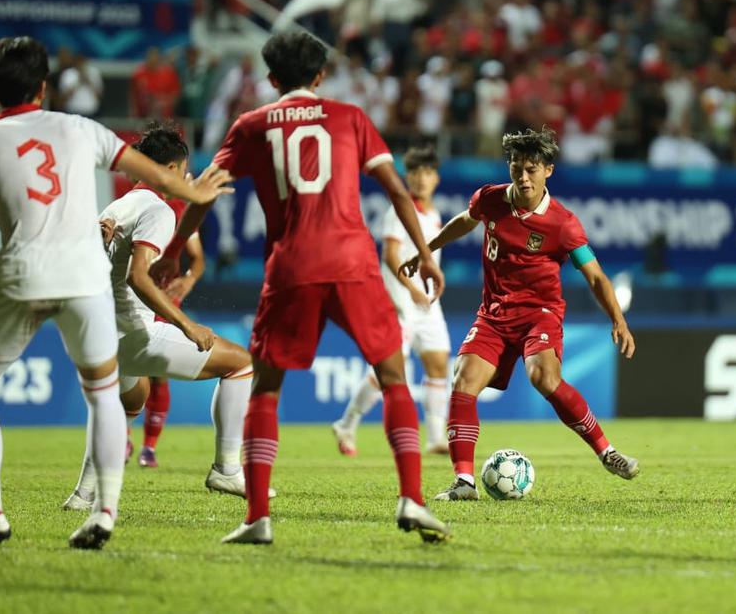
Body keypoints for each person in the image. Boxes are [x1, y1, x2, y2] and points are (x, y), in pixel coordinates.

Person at [151, 31, 450, 545]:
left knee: (265, 388)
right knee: (393, 376)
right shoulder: (350, 117)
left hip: (291, 266)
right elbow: (396, 189)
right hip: (353, 262)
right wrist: (425, 253)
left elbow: (206, 190)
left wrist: (177, 245)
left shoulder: (251, 125)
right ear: (320, 76)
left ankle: (258, 517)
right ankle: (412, 501)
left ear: (271, 79)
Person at [0, 37, 231, 550]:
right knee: (103, 391)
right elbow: (148, 171)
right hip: (86, 279)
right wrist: (193, 191)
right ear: (44, 86)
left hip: (22, 272)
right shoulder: (80, 128)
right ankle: (105, 510)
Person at [400, 126, 640, 502]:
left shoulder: (563, 224)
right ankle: (464, 482)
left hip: (538, 314)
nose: (523, 177)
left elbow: (594, 275)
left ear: (548, 171)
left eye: (531, 169)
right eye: (516, 167)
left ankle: (606, 451)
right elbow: (466, 219)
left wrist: (618, 320)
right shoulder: (490, 199)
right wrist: (426, 250)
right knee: (463, 381)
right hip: (493, 313)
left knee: (544, 378)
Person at [62, 123, 263, 512]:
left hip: (98, 336)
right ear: (171, 169)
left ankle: (84, 495)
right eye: (183, 171)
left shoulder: (115, 207)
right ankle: (226, 468)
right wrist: (187, 325)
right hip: (134, 334)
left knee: (130, 402)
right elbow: (139, 277)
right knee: (241, 365)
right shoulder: (158, 210)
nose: (186, 179)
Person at [332, 145, 451, 457]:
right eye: (414, 173)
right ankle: (347, 422)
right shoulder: (399, 211)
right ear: (407, 177)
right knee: (388, 369)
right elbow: (390, 255)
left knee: (438, 363)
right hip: (401, 303)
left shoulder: (435, 214)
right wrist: (411, 288)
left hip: (427, 303)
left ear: (436, 178)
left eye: (427, 173)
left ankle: (437, 437)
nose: (421, 179)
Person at [137, 196, 206, 469]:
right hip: (131, 296)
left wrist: (188, 279)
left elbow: (198, 258)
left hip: (163, 300)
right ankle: (123, 438)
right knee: (127, 373)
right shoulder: (136, 206)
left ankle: (149, 447)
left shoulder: (179, 211)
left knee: (157, 374)